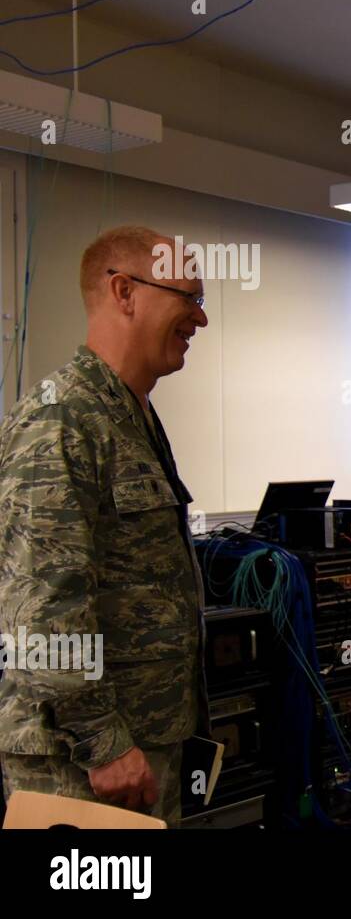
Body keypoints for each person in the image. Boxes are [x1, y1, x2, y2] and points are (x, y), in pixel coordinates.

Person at [0, 226, 207, 826]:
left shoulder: (130, 414)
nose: (199, 318)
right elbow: (43, 606)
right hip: (80, 762)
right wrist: (102, 742)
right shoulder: (62, 418)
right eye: (187, 298)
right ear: (124, 291)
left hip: (141, 743)